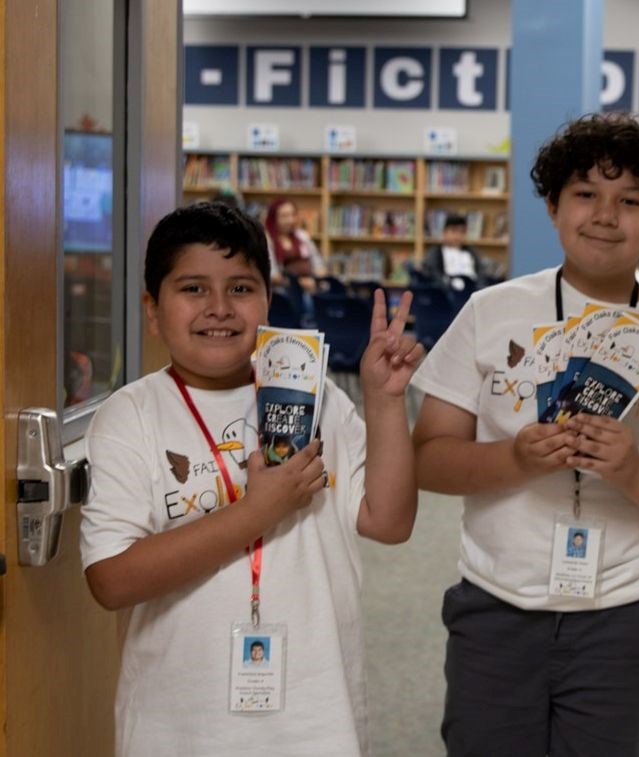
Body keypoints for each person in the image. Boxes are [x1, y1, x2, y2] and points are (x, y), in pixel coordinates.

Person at [411, 112, 639, 756]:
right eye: (585, 194)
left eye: (631, 201)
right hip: (495, 604)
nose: (605, 215)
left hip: (629, 615)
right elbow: (428, 459)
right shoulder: (490, 312)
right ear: (552, 206)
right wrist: (514, 458)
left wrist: (633, 473)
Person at [79, 201, 425, 756]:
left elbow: (389, 521)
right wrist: (256, 512)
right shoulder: (130, 416)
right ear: (152, 309)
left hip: (315, 716)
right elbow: (112, 581)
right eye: (193, 289)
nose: (219, 308)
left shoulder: (317, 397)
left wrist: (386, 404)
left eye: (241, 289)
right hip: (180, 724)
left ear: (268, 298)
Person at [263, 197, 325, 281]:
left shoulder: (302, 236)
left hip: (311, 284)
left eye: (293, 215)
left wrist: (319, 279)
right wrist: (300, 283)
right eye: (284, 216)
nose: (290, 220)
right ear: (274, 218)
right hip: (284, 288)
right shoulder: (267, 240)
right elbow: (272, 274)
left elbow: (317, 263)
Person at [421, 211, 482, 286]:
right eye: (454, 231)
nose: (458, 236)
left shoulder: (471, 252)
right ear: (444, 232)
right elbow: (433, 276)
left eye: (462, 232)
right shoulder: (435, 253)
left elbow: (481, 275)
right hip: (446, 292)